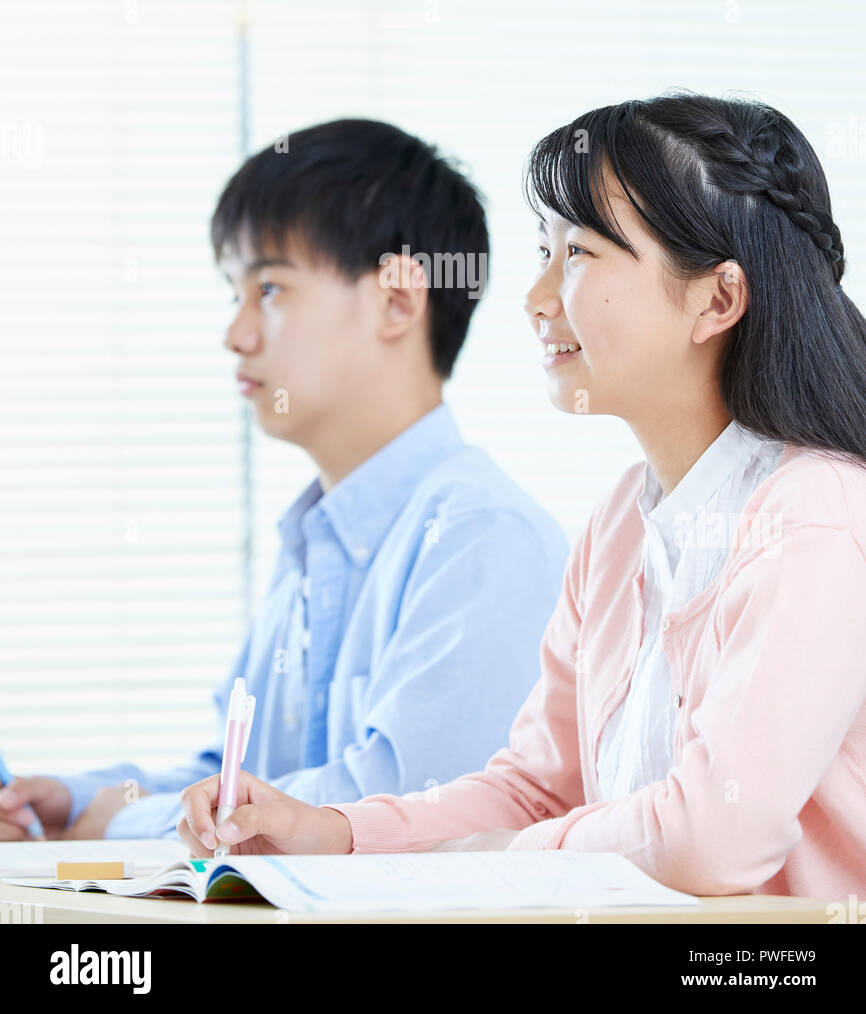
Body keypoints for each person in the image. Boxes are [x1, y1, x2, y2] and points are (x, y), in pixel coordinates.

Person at [178, 92, 866, 899]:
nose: (538, 296)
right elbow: (535, 790)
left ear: (717, 299)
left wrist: (495, 855)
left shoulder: (812, 515)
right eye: (546, 250)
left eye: (579, 253)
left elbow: (710, 840)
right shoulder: (621, 526)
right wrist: (336, 833)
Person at [0, 119, 568, 842]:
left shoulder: (483, 540)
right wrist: (75, 803)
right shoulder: (314, 540)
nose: (235, 334)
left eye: (268, 287)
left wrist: (123, 822)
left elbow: (392, 807)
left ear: (398, 300)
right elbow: (235, 772)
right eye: (234, 292)